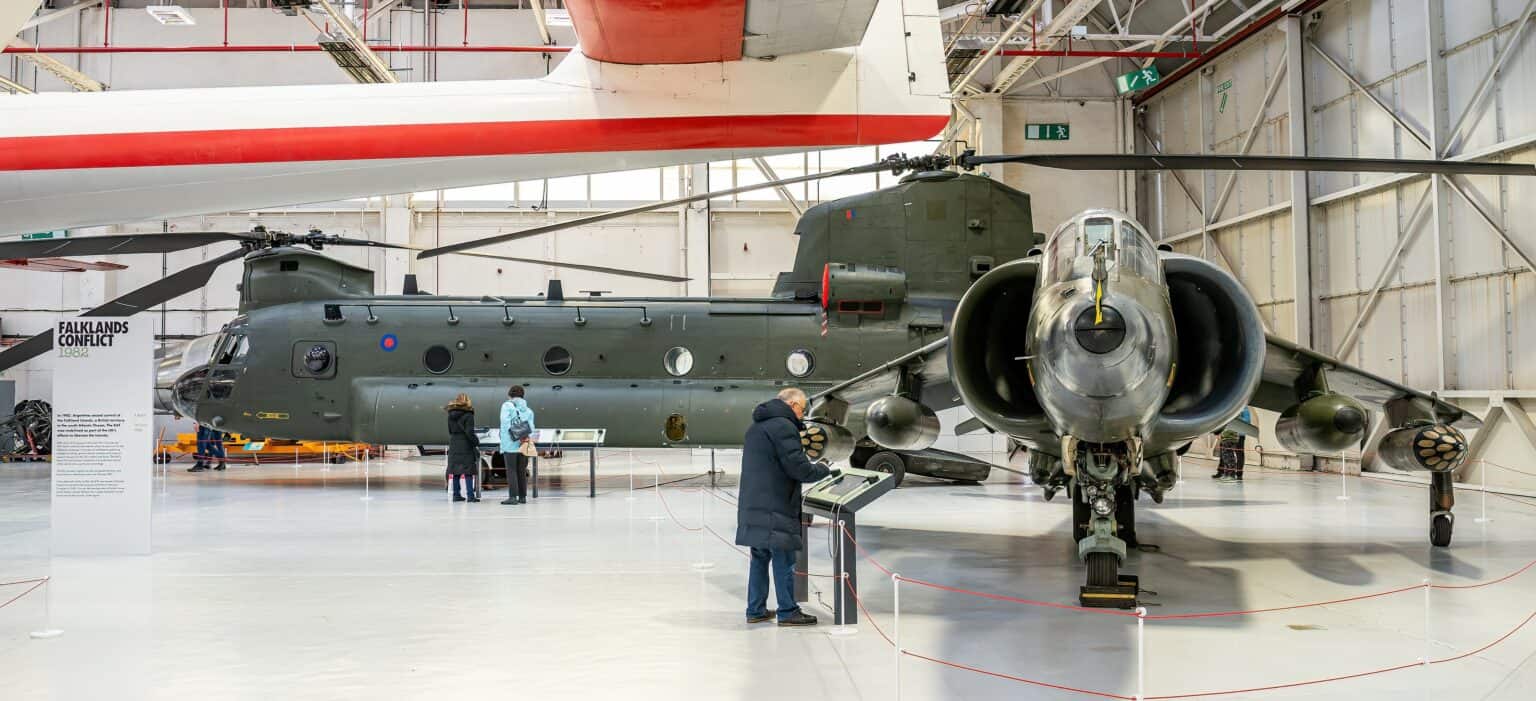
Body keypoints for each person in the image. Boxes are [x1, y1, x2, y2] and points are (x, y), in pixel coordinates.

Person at [735, 387, 831, 627]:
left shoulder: (756, 426)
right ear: (792, 405)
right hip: (776, 505)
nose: (802, 414)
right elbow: (798, 467)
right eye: (802, 409)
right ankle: (788, 611)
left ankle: (755, 609)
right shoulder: (783, 427)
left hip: (754, 503)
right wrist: (823, 468)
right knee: (784, 557)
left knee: (759, 557)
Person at [499, 385, 536, 506]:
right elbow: (532, 428)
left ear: (510, 395)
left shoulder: (507, 406)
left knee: (511, 471)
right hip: (523, 444)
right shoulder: (528, 410)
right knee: (521, 470)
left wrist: (513, 434)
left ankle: (512, 497)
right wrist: (521, 435)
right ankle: (522, 497)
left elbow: (505, 423)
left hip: (510, 444)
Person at [445, 393, 480, 502]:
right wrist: (476, 441)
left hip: (454, 443)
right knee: (468, 471)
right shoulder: (469, 415)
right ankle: (470, 496)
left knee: (455, 471)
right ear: (467, 402)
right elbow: (469, 432)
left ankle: (456, 495)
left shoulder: (450, 414)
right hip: (465, 444)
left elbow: (450, 430)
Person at [1215, 407, 1251, 483]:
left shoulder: (1244, 409)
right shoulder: (1229, 410)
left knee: (1234, 455)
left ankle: (1236, 474)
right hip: (1225, 436)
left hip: (1235, 436)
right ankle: (1225, 473)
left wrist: (1233, 421)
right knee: (1225, 455)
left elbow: (1247, 421)